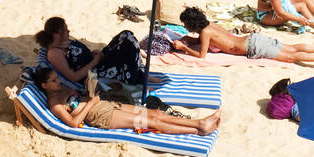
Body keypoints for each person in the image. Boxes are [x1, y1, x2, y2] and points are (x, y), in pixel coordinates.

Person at [32, 67, 221, 135]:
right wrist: (89, 104)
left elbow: (80, 94)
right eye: (54, 80)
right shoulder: (55, 104)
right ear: (44, 85)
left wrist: (89, 87)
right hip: (99, 115)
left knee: (156, 113)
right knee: (152, 122)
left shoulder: (61, 88)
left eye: (57, 78)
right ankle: (198, 129)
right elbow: (73, 123)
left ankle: (199, 124)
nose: (58, 82)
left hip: (105, 105)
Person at [173, 8, 314, 69]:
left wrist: (183, 48)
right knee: (291, 47)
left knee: (290, 57)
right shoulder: (210, 25)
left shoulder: (205, 33)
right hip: (252, 39)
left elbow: (202, 56)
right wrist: (189, 40)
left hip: (253, 47)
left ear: (191, 24)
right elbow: (213, 41)